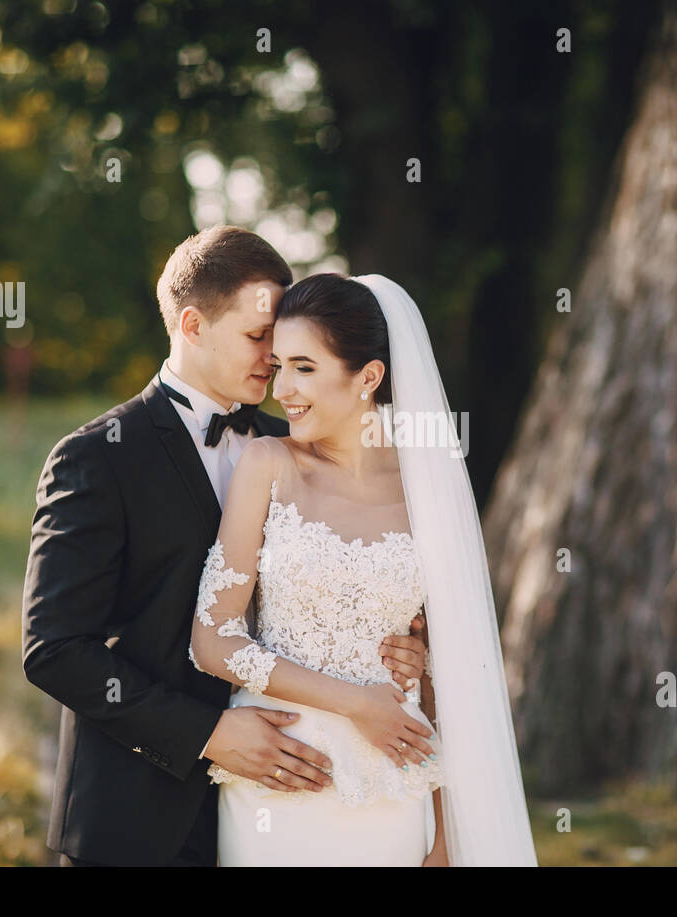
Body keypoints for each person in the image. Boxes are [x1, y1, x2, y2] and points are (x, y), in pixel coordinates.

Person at [21, 228, 427, 866]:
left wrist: (406, 645)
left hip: (290, 793)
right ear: (193, 325)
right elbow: (56, 650)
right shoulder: (96, 457)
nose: (274, 357)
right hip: (139, 812)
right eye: (258, 335)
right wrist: (207, 733)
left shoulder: (295, 442)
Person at [190, 273, 537, 865]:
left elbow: (448, 675)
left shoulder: (426, 486)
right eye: (278, 366)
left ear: (368, 377)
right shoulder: (267, 463)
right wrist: (356, 703)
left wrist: (445, 837)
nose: (282, 390)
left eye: (304, 367)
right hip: (279, 771)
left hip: (394, 780)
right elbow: (213, 640)